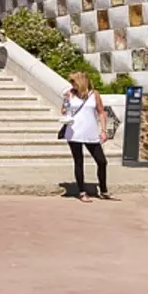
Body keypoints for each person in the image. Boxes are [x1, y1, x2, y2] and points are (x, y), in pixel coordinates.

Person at [62, 72, 112, 202]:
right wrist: (66, 103)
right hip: (74, 131)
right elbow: (63, 110)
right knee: (79, 161)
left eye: (73, 82)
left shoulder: (94, 95)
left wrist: (103, 130)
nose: (72, 85)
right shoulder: (70, 94)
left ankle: (103, 189)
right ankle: (81, 191)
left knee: (102, 161)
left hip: (91, 132)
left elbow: (101, 112)